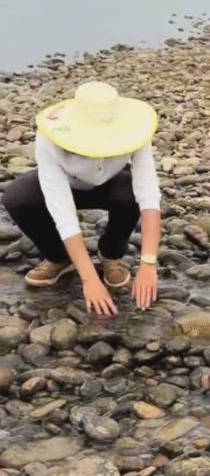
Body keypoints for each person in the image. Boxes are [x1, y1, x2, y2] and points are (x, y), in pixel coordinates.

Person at [1, 81, 161, 315]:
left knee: (130, 194)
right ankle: (59, 257)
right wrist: (89, 279)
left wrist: (149, 264)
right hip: (67, 184)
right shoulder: (50, 136)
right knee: (17, 196)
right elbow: (62, 212)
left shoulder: (135, 131)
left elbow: (149, 197)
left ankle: (111, 254)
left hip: (111, 184)